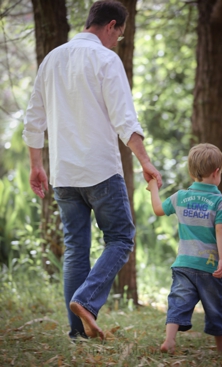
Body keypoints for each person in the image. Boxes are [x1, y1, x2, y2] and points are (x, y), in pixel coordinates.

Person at [21, 0, 162, 340]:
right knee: (121, 237)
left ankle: (77, 335)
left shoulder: (51, 59)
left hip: (64, 175)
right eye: (120, 35)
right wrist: (145, 161)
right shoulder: (105, 58)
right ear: (111, 25)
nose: (118, 42)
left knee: (75, 249)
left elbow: (33, 120)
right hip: (100, 171)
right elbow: (124, 119)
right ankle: (86, 301)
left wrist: (36, 166)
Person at [145, 144, 222, 355]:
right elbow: (221, 229)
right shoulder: (219, 200)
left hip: (184, 264)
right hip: (209, 265)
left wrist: (154, 188)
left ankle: (169, 339)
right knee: (214, 307)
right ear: (216, 173)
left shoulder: (180, 197)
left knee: (177, 301)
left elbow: (158, 209)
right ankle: (221, 348)